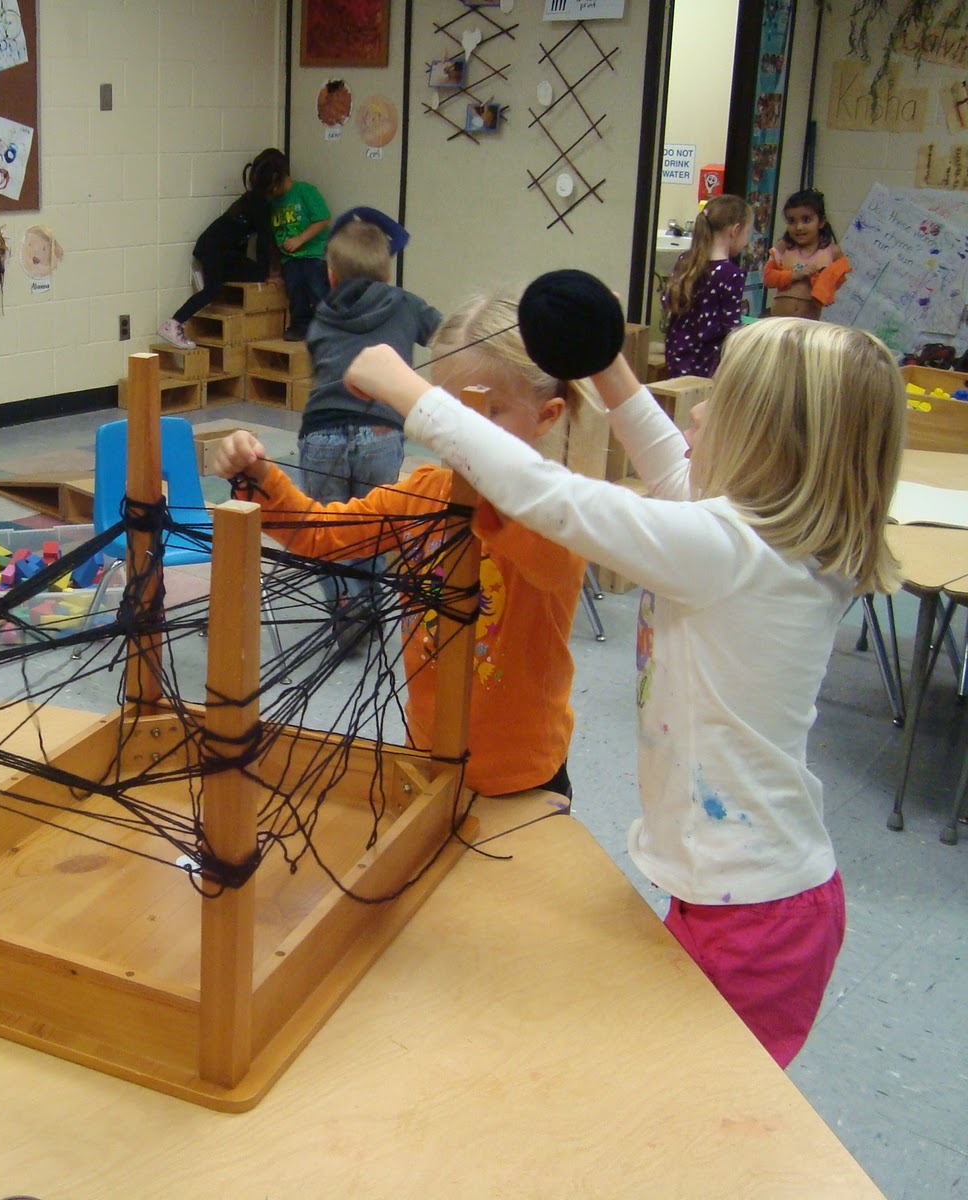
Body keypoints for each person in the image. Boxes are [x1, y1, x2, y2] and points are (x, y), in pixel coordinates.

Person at [342, 315, 904, 1067]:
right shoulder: (771, 544)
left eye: (719, 401)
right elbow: (671, 461)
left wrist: (413, 396)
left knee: (693, 1106)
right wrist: (608, 365)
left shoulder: (726, 552)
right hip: (751, 892)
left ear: (768, 442)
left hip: (752, 916)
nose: (694, 413)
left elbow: (554, 499)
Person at [207, 292, 586, 799]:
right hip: (427, 754)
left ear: (548, 415)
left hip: (523, 773)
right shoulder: (423, 492)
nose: (461, 435)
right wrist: (257, 473)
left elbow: (550, 556)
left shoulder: (561, 514)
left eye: (487, 415)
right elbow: (320, 533)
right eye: (449, 412)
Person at [297, 208, 441, 646]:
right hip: (380, 432)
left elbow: (317, 370)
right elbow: (449, 334)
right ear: (386, 270)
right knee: (377, 528)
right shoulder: (404, 303)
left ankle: (347, 605)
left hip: (321, 433)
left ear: (332, 275)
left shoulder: (320, 315)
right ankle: (369, 610)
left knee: (327, 531)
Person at [157, 149, 284, 350]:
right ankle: (173, 323)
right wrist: (267, 273)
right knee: (214, 288)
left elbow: (241, 238)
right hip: (214, 248)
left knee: (238, 277)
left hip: (218, 248)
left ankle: (176, 320)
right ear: (276, 181)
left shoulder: (250, 199)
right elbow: (263, 241)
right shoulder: (260, 204)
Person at [662, 194, 751, 377]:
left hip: (677, 353)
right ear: (735, 230)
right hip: (707, 361)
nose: (747, 241)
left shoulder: (686, 261)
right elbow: (731, 326)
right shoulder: (731, 274)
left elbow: (667, 300)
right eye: (747, 234)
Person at [259, 149, 331, 340]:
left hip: (312, 254)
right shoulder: (274, 203)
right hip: (289, 258)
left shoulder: (304, 191)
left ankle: (327, 327)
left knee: (317, 291)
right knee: (295, 292)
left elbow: (323, 219)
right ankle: (300, 327)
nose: (271, 193)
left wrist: (300, 239)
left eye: (271, 187)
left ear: (278, 176)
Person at [762, 188, 850, 320]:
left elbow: (837, 282)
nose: (799, 227)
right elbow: (768, 278)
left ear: (821, 222)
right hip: (779, 321)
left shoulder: (833, 252)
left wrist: (820, 280)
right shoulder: (784, 246)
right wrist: (794, 275)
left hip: (808, 326)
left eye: (806, 220)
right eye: (792, 221)